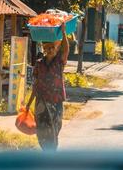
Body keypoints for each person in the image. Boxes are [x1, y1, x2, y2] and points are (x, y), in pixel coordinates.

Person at [26, 22, 69, 150]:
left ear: (56, 49)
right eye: (47, 48)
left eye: (52, 48)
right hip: (41, 102)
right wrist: (28, 104)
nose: (50, 50)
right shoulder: (39, 64)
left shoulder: (59, 62)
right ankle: (46, 152)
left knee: (55, 127)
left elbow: (66, 50)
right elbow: (36, 85)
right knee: (41, 129)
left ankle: (52, 152)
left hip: (56, 100)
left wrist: (64, 32)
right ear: (44, 49)